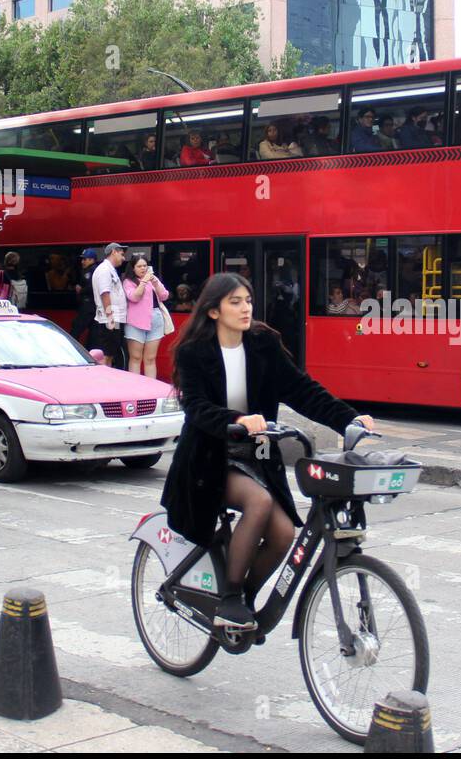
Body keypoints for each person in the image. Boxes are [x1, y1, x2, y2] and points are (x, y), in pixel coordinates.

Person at [160, 273, 374, 631]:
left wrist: (349, 419)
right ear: (213, 311)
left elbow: (302, 389)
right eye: (235, 302)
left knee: (283, 534)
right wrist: (238, 419)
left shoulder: (262, 344)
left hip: (256, 457)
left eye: (248, 300)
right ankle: (229, 600)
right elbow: (196, 408)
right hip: (208, 459)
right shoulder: (193, 352)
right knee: (258, 503)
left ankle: (242, 600)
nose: (246, 309)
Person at [122, 253, 170, 378]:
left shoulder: (153, 279)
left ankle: (151, 387)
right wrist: (143, 281)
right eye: (139, 266)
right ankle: (135, 388)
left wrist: (155, 282)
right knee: (136, 357)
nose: (143, 268)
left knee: (150, 358)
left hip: (155, 320)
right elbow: (134, 297)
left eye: (145, 265)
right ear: (133, 268)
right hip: (135, 322)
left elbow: (164, 296)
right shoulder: (128, 281)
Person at [91, 242, 128, 369]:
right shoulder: (104, 270)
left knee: (111, 353)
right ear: (114, 252)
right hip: (110, 318)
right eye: (122, 254)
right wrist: (110, 318)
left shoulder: (109, 269)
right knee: (107, 354)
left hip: (113, 318)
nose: (123, 258)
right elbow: (105, 293)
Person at [70, 248, 98, 345]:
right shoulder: (87, 270)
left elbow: (92, 287)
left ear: (91, 260)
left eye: (85, 259)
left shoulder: (93, 270)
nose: (82, 262)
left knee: (75, 330)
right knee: (92, 334)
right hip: (89, 306)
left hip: (88, 306)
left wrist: (81, 290)